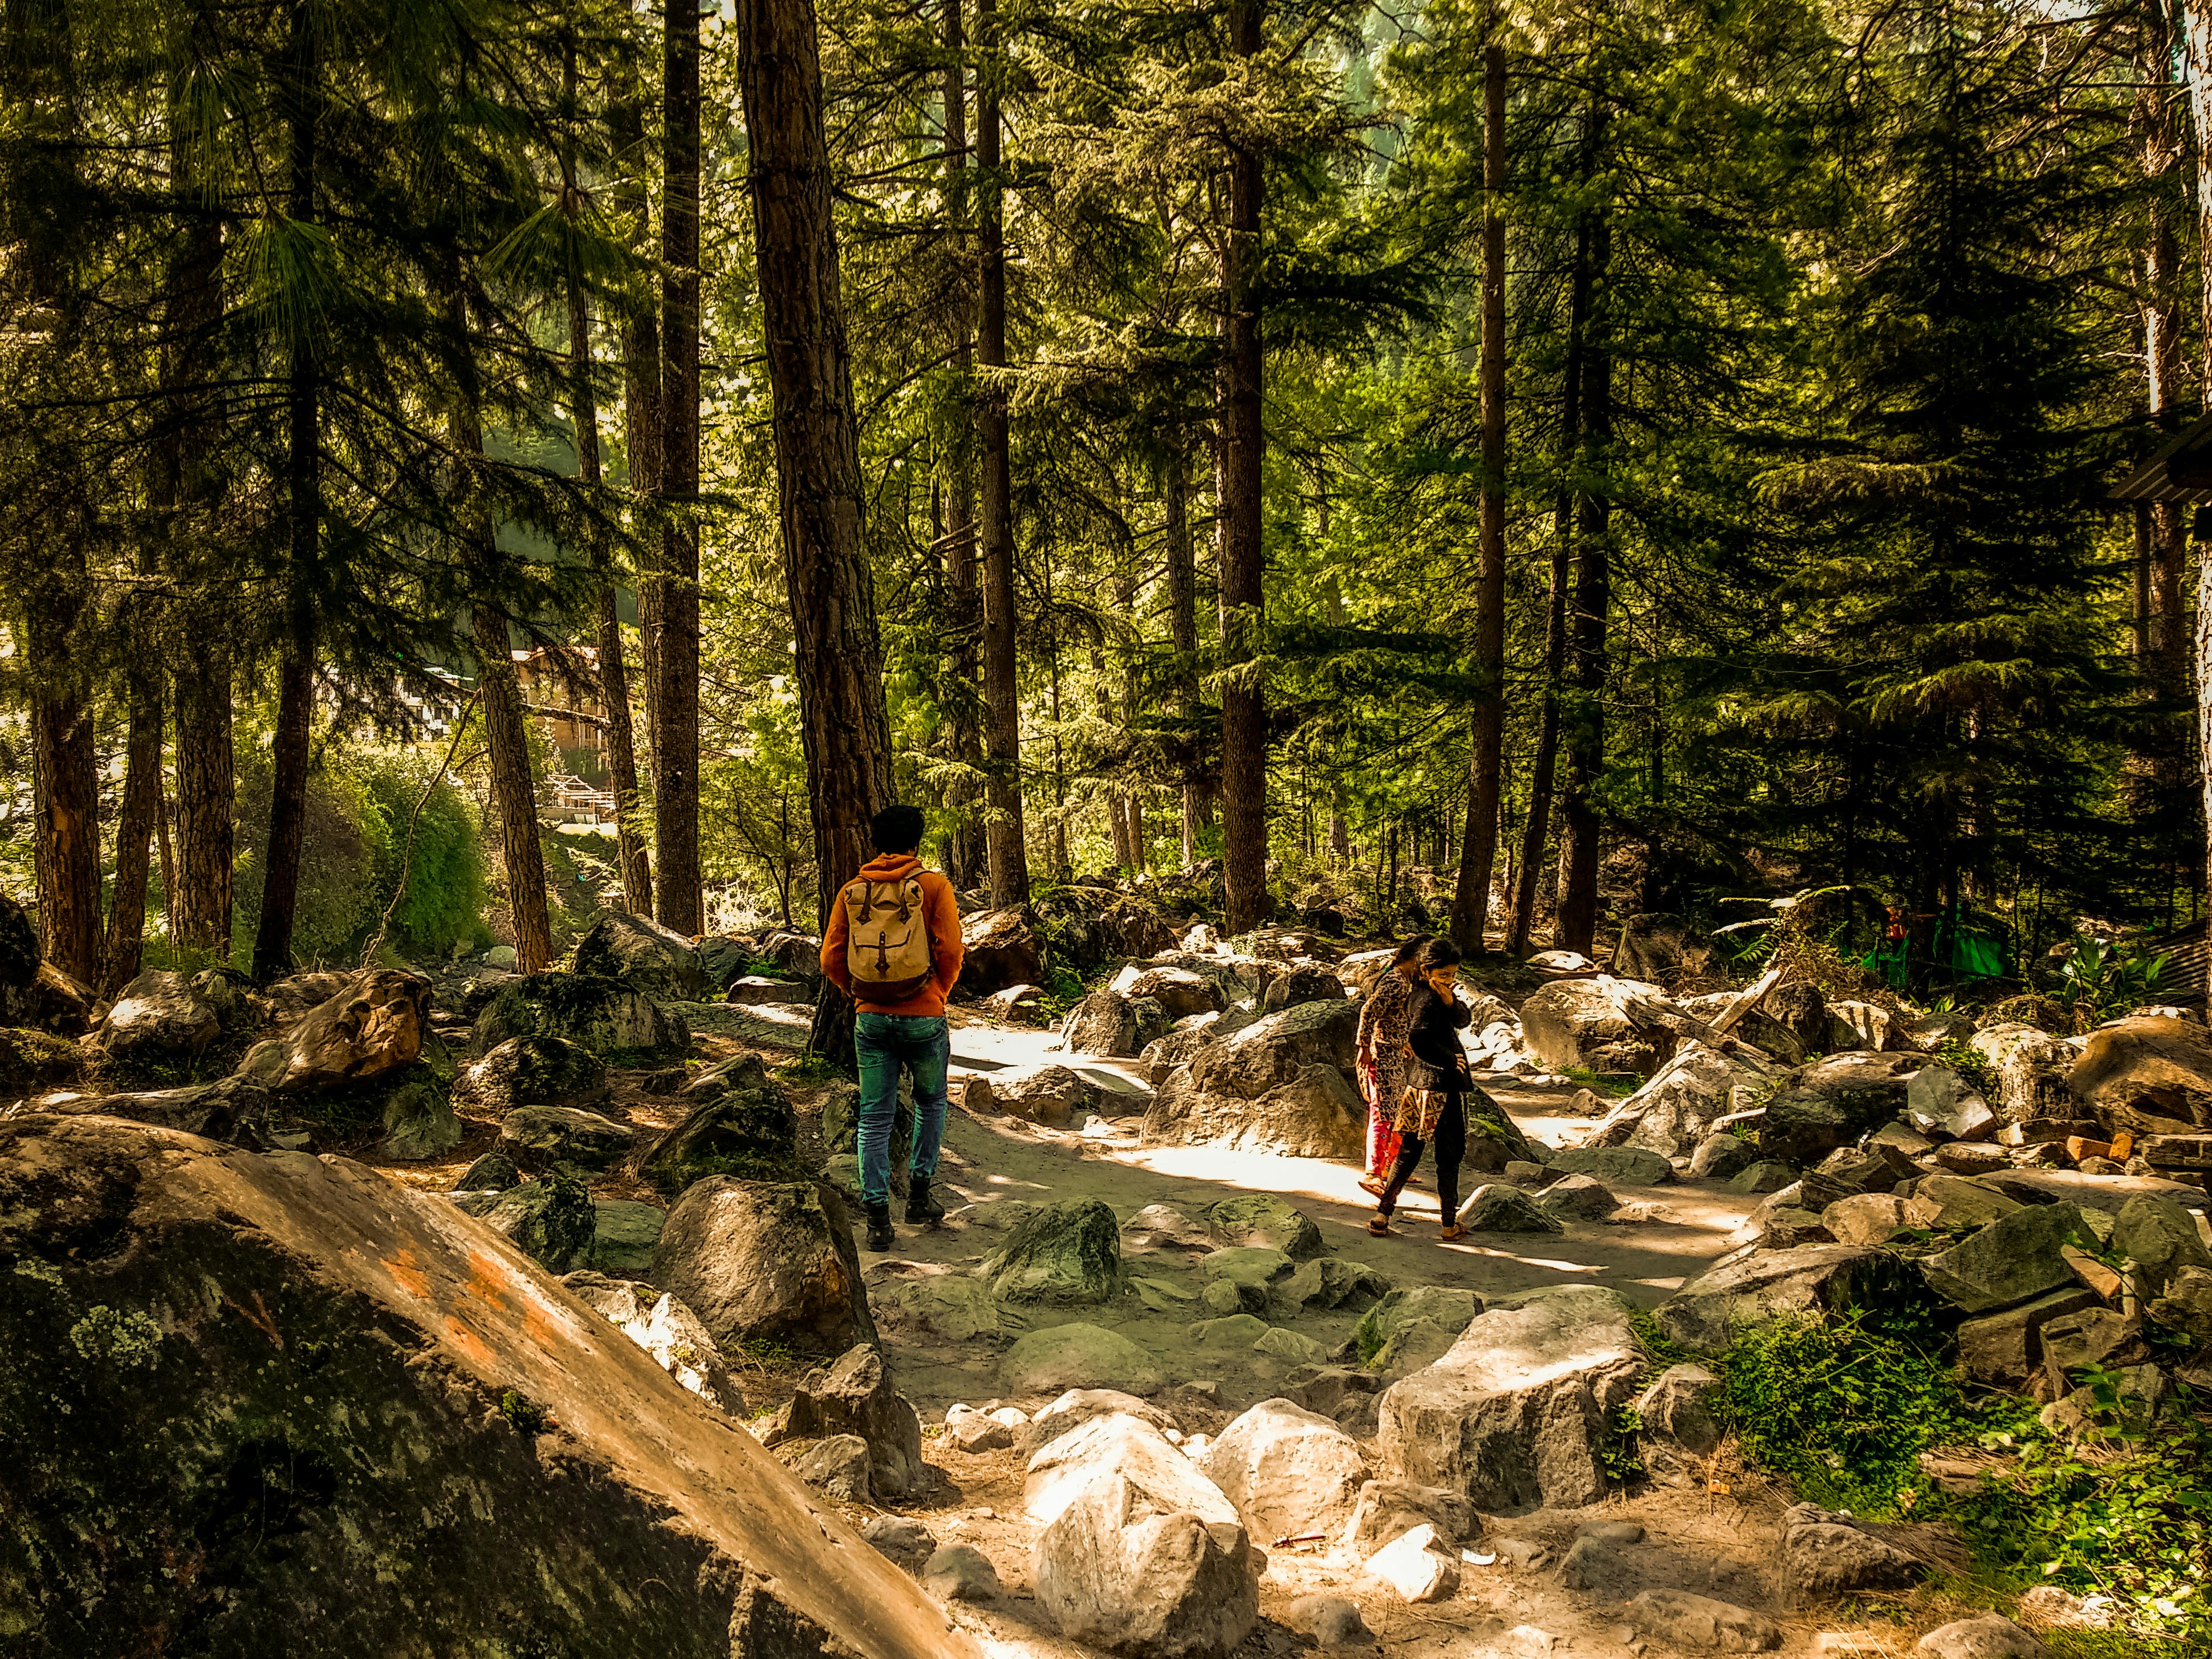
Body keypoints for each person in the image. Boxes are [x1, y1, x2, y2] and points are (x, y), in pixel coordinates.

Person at [820, 803, 966, 1252]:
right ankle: (919, 1195)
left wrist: (857, 993)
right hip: (924, 1016)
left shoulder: (852, 891)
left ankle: (878, 1218)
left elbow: (830, 958)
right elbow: (951, 949)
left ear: (875, 843)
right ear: (915, 843)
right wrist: (938, 992)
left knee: (875, 1117)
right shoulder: (934, 886)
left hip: (871, 1018)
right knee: (931, 1103)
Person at [1369, 936, 1474, 1242]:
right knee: (1449, 1155)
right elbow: (1418, 1036)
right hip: (1440, 1089)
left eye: (1453, 975)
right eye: (1444, 976)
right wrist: (1449, 1059)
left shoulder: (1428, 994)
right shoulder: (1426, 998)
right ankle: (1448, 1225)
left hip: (1418, 1085)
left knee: (1408, 1153)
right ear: (1427, 970)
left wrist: (1450, 1000)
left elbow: (1463, 1019)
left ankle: (1382, 1216)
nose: (1450, 981)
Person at [1354, 936, 1428, 1197]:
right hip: (1382, 1055)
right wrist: (1364, 1046)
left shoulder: (1405, 981)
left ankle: (1391, 1168)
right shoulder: (1395, 981)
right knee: (1383, 1113)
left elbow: (1392, 1017)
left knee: (1397, 1112)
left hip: (1395, 1052)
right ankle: (1373, 1172)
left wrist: (1405, 1041)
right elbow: (1369, 1011)